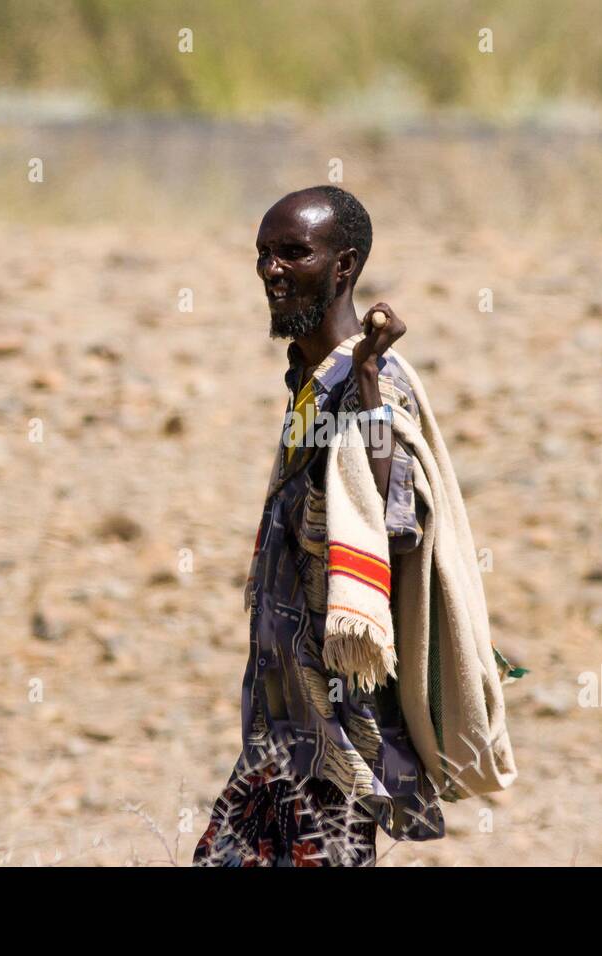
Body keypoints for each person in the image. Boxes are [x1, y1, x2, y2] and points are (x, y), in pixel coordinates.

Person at [194, 185, 445, 867]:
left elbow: (397, 524)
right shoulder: (309, 379)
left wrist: (365, 387)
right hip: (280, 726)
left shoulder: (374, 385)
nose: (271, 270)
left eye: (293, 253)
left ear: (344, 267)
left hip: (332, 736)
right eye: (264, 254)